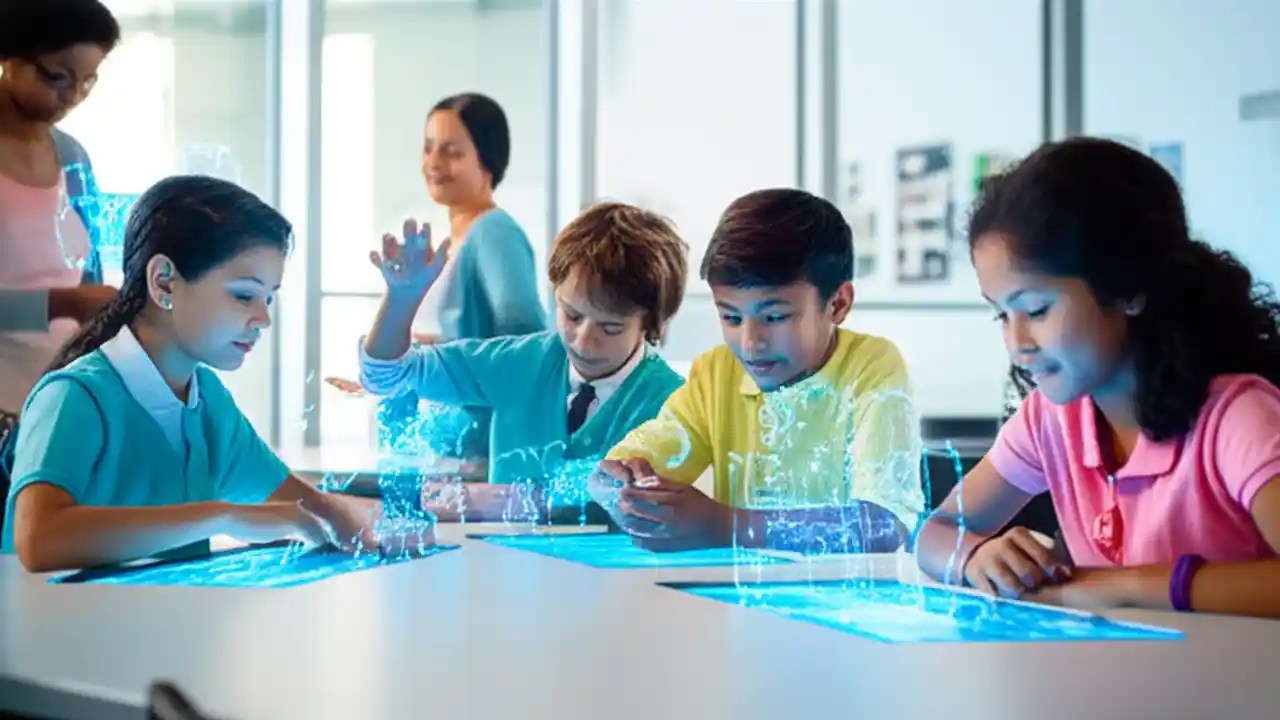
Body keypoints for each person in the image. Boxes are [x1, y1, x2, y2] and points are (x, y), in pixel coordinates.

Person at [915, 137, 1280, 619]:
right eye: (1001, 315)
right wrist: (976, 556)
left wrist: (1119, 587)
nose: (1017, 340)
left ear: (1129, 289)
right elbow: (935, 533)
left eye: (1037, 309)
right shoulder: (1051, 419)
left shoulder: (1236, 417)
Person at [2, 175, 431, 572]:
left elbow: (302, 504)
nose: (263, 318)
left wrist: (360, 519)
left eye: (269, 299)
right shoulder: (75, 397)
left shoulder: (206, 400)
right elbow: (39, 539)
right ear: (165, 282)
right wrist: (223, 515)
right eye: (244, 295)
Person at [601, 188, 925, 553]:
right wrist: (624, 491)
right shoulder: (716, 374)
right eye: (731, 317)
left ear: (837, 304)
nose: (751, 342)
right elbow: (614, 473)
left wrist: (726, 525)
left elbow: (885, 525)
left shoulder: (873, 367)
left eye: (774, 317)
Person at [359, 202, 687, 521]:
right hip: (500, 569)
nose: (583, 340)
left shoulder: (672, 402)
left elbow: (645, 503)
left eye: (610, 327)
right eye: (572, 315)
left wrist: (503, 499)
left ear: (652, 324)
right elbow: (387, 376)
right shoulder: (517, 363)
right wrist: (401, 301)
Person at [329, 92, 545, 460]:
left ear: (487, 161)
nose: (434, 163)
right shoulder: (457, 236)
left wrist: (430, 360)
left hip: (474, 453)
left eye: (453, 152)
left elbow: (525, 343)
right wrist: (394, 369)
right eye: (428, 148)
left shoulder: (495, 233)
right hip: (438, 448)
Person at [0, 0, 121, 487]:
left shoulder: (73, 156)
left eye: (89, 80)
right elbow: (75, 295)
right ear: (10, 58)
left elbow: (87, 274)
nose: (74, 95)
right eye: (58, 77)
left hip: (54, 405)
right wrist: (61, 303)